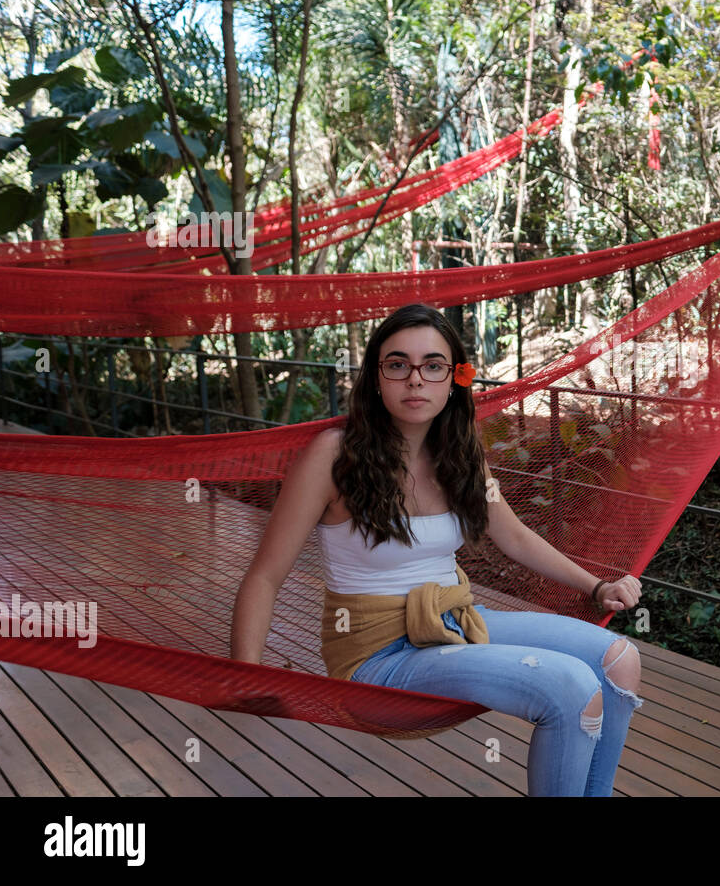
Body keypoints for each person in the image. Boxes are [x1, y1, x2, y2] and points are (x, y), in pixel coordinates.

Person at [231, 302, 644, 796]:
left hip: (456, 620)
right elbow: (265, 575)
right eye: (398, 364)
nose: (415, 380)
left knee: (620, 659)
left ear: (453, 378)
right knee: (571, 687)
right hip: (377, 656)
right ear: (376, 377)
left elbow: (513, 536)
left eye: (432, 366)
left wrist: (596, 586)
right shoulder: (332, 457)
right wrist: (244, 675)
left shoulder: (459, 453)